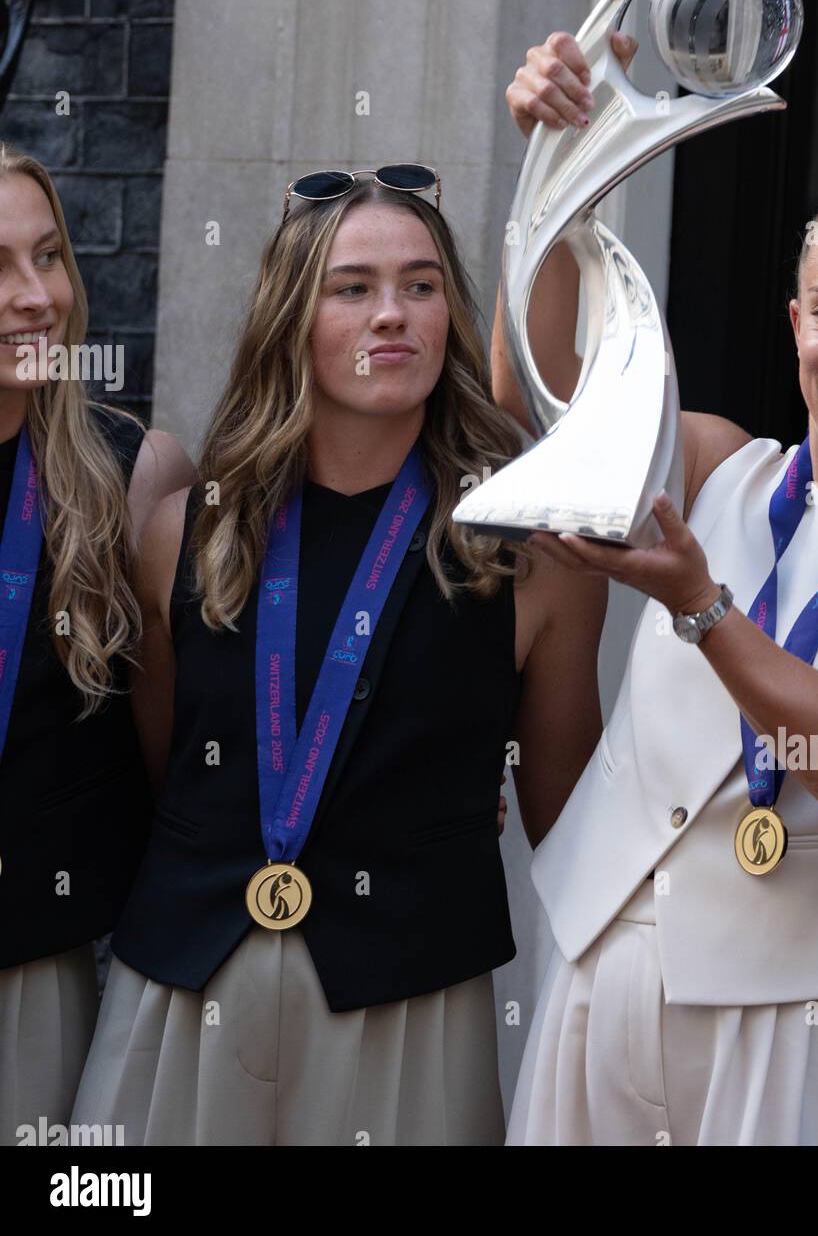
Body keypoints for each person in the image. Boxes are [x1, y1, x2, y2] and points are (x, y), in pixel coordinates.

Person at [494, 33, 818, 1146]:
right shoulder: (718, 462)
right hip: (601, 974)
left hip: (801, 1016)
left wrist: (703, 610)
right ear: (793, 323)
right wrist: (555, 163)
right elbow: (532, 410)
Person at [71, 165, 606, 1145]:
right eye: (352, 286)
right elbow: (169, 776)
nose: (390, 315)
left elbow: (575, 828)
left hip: (410, 1015)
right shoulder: (182, 533)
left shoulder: (531, 559)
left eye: (421, 284)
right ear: (291, 317)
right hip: (180, 998)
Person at [0, 143, 194, 1144]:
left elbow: (206, 733)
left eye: (49, 257)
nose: (36, 297)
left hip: (37, 970)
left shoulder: (135, 477)